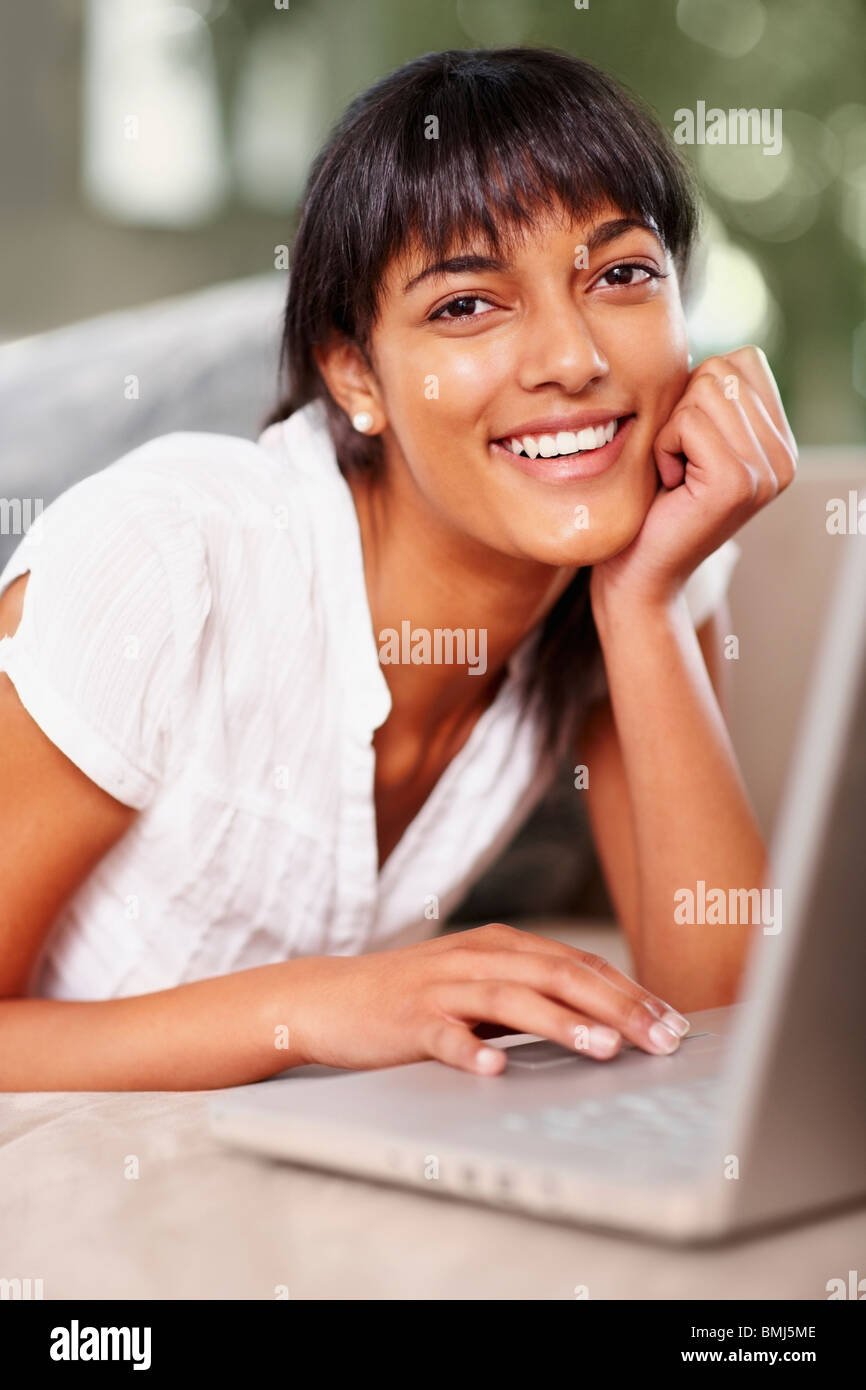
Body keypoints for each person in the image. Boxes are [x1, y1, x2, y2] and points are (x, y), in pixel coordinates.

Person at [0, 48, 797, 1090]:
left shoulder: (655, 552)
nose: (571, 357)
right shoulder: (166, 556)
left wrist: (640, 602)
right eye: (466, 304)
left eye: (619, 275)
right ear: (352, 374)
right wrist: (320, 1003)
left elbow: (729, 1022)